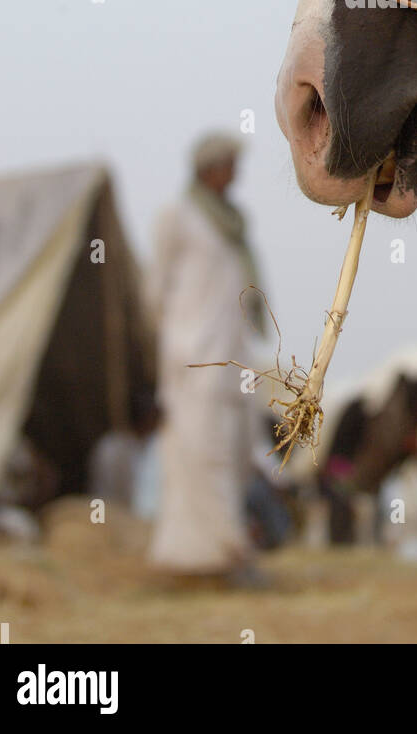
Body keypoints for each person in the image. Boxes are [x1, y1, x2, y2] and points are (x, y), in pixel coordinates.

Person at [146, 133, 269, 586]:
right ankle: (218, 555)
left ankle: (218, 553)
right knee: (200, 453)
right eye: (229, 164)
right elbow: (156, 291)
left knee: (235, 453)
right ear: (209, 168)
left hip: (232, 359)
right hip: (191, 358)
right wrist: (172, 352)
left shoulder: (234, 222)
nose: (235, 173)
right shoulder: (176, 217)